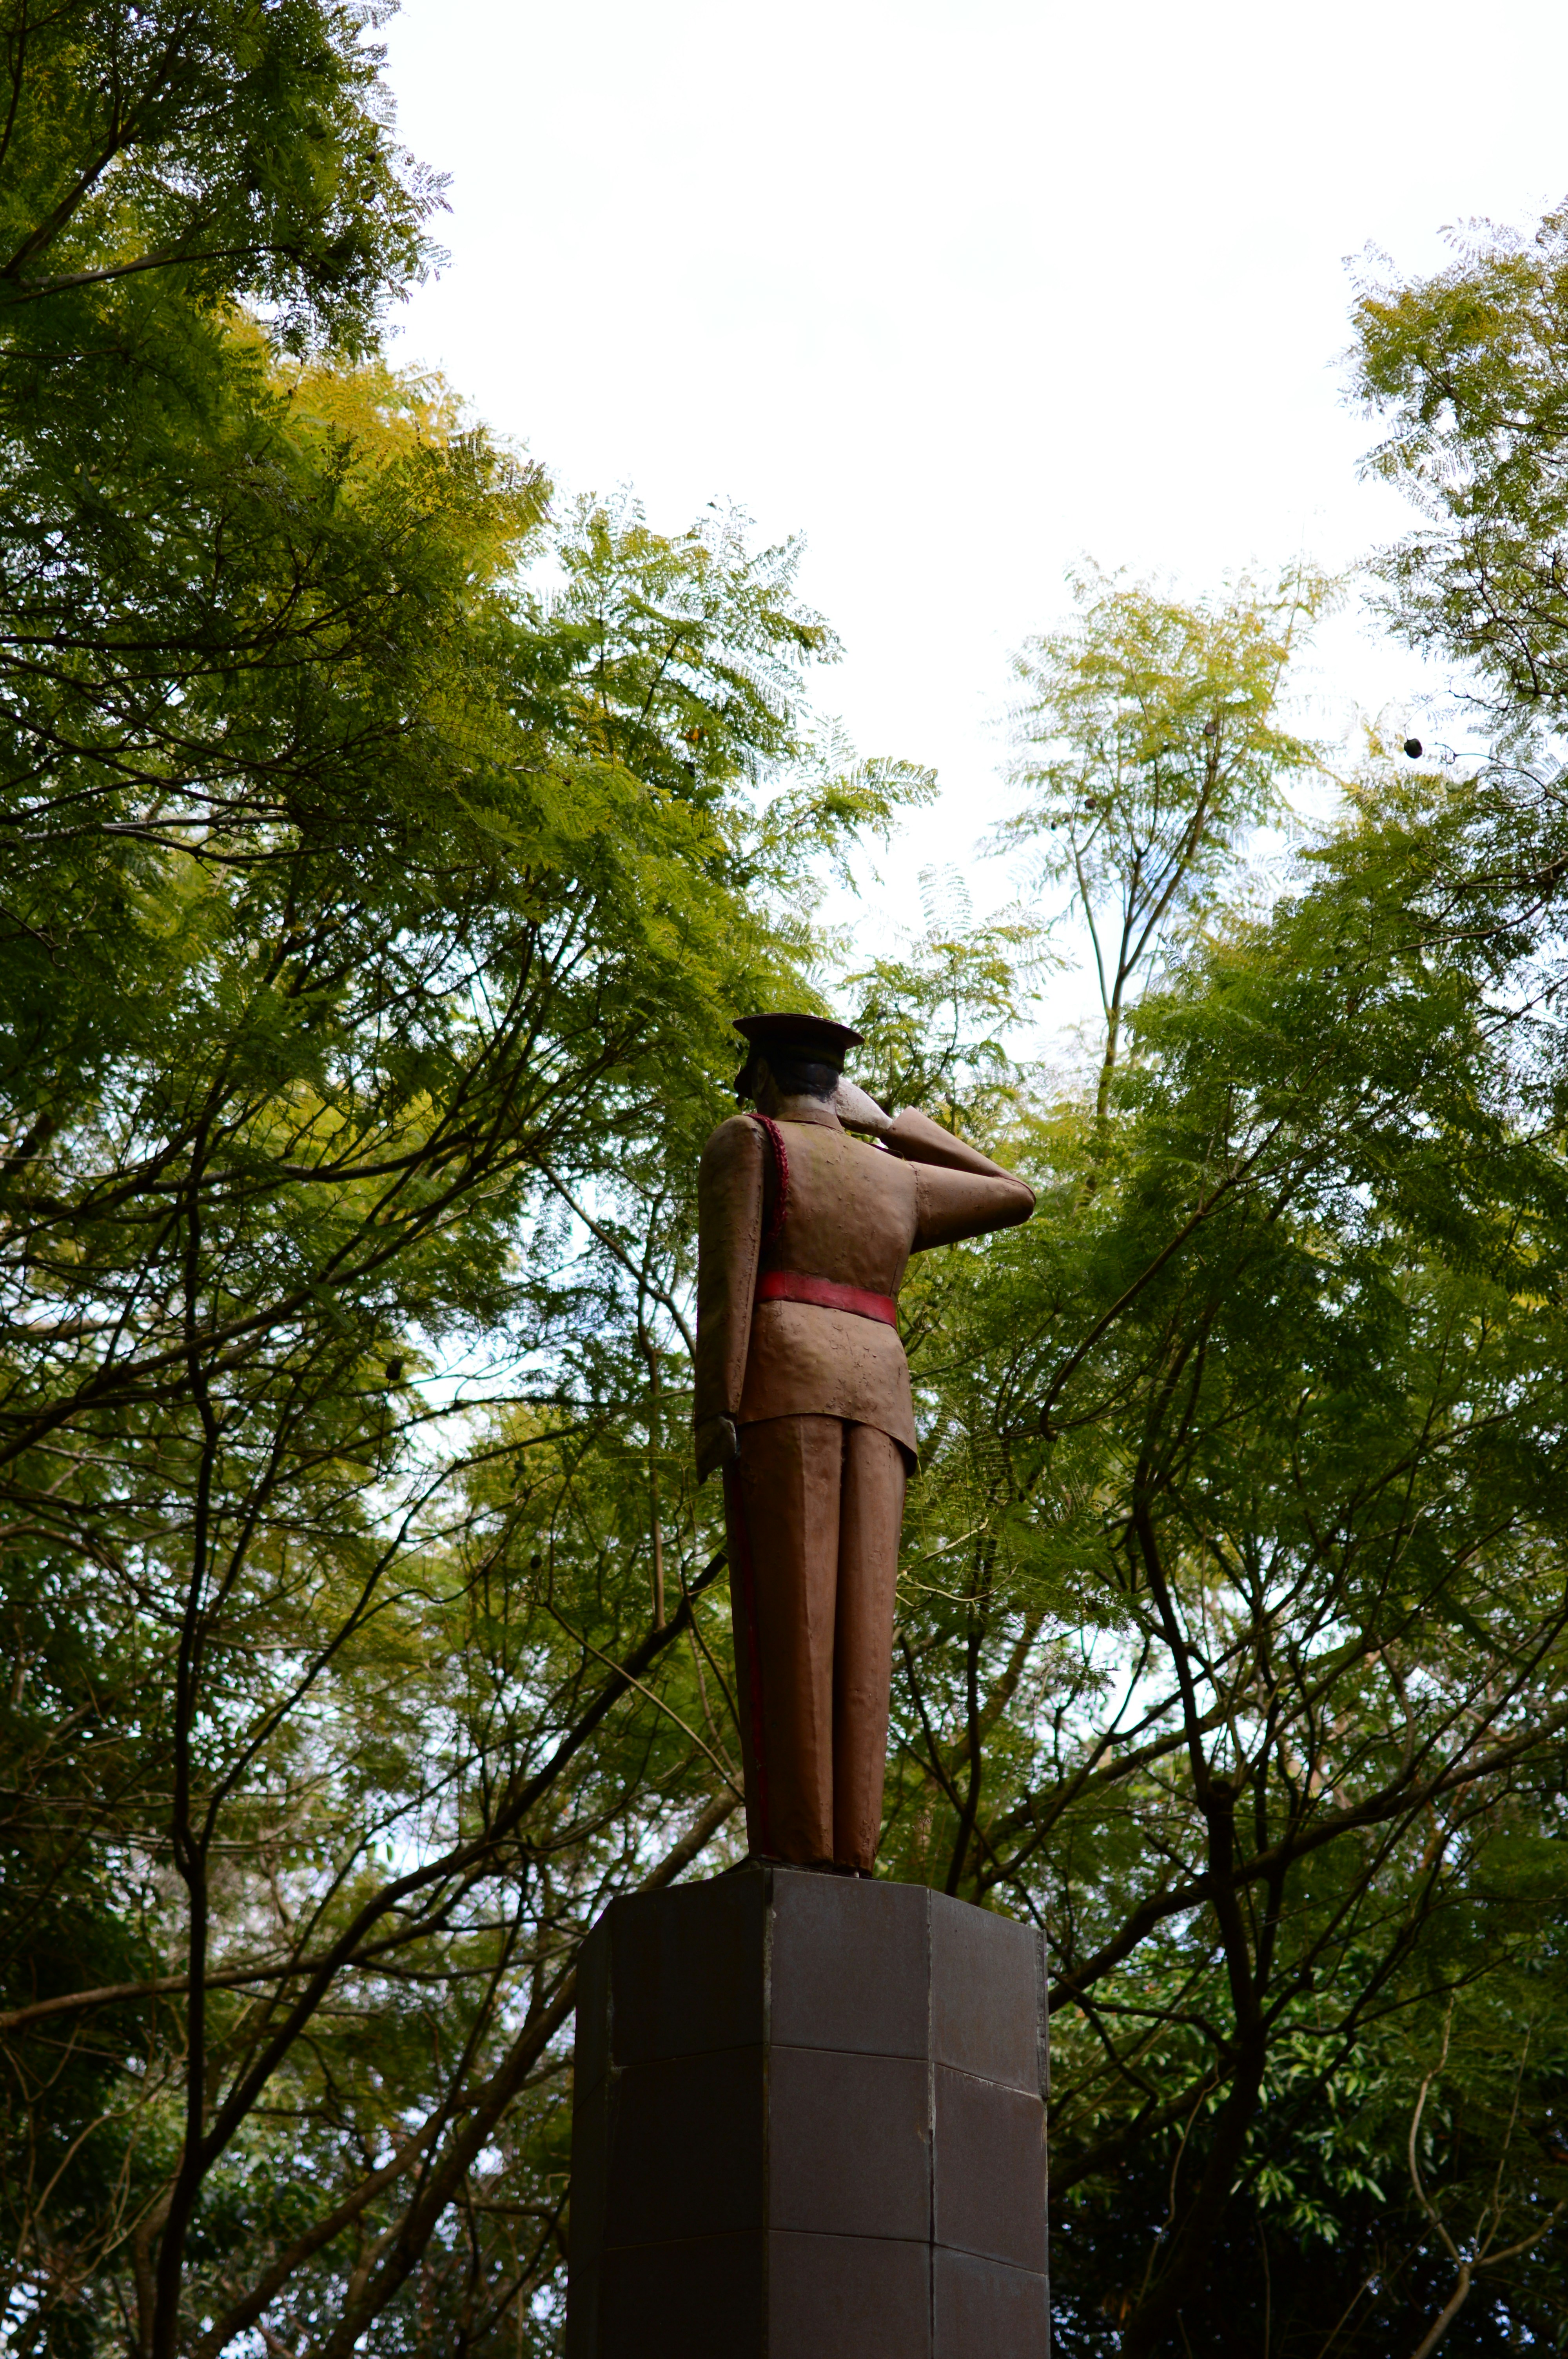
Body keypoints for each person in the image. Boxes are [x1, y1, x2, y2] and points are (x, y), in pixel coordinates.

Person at [694, 1010, 1035, 1872]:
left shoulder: (749, 1139)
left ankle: (795, 1846)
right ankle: (850, 1849)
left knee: (789, 1617)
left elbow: (729, 1281)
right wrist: (891, 1124)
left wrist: (715, 1407)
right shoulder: (895, 1175)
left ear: (762, 1075)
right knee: (861, 1632)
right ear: (837, 1087)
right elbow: (1012, 1191)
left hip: (782, 1377)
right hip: (882, 1389)